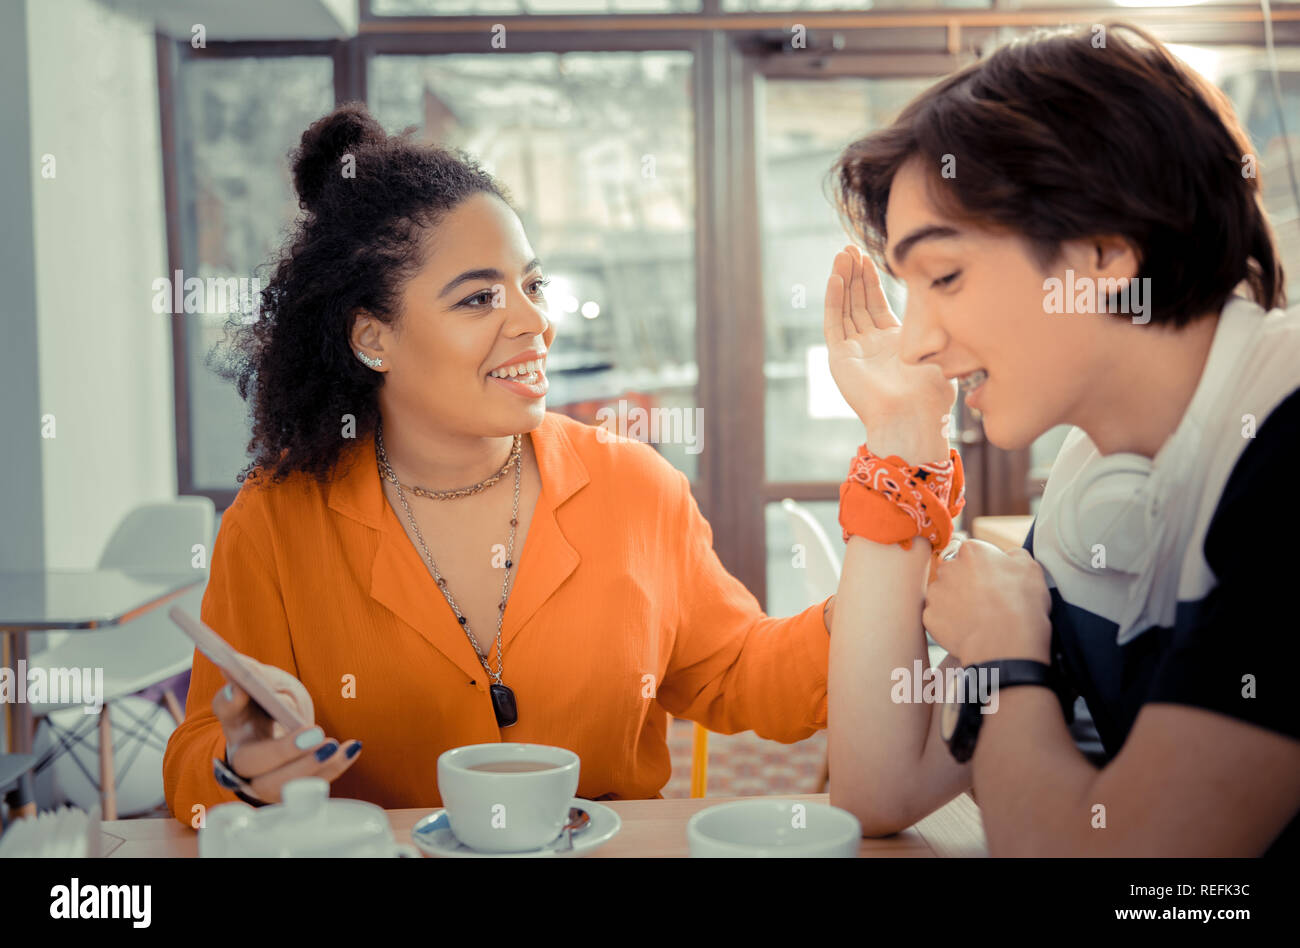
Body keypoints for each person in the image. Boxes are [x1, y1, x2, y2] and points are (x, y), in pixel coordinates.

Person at [162, 103, 837, 821]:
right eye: (480, 298)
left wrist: (885, 597)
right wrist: (240, 769)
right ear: (373, 338)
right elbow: (197, 754)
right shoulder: (276, 519)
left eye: (534, 286)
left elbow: (739, 673)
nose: (534, 322)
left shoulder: (636, 487)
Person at [822, 22, 1300, 855]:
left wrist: (1007, 654)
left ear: (1106, 252)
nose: (914, 342)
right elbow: (878, 787)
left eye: (945, 277)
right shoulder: (1097, 470)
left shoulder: (1289, 451)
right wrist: (902, 434)